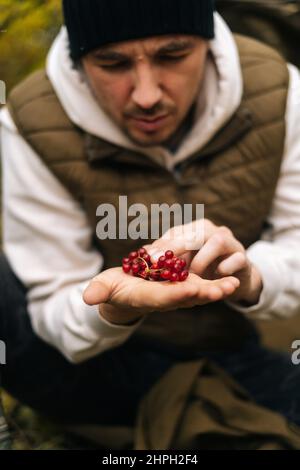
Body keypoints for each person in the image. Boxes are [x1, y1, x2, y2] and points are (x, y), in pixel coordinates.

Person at [1, 0, 300, 447]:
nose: (146, 95)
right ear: (79, 62)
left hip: (241, 351)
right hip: (98, 366)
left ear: (208, 42)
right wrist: (114, 310)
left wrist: (252, 276)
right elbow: (52, 302)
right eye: (112, 63)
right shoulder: (27, 124)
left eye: (173, 55)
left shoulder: (281, 92)